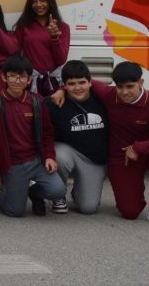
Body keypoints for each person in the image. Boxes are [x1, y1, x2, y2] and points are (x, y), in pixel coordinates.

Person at [0, 55, 65, 217]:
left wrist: (49, 157)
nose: (17, 80)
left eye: (22, 76)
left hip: (36, 161)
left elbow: (47, 132)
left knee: (58, 191)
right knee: (15, 211)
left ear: (29, 79)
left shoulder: (37, 102)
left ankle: (34, 192)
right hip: (12, 165)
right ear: (4, 77)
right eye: (12, 76)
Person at [96, 62, 149, 226]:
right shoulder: (109, 94)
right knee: (130, 212)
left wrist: (138, 147)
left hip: (147, 152)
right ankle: (137, 201)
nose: (124, 92)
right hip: (121, 158)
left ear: (141, 83)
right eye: (120, 87)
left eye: (130, 86)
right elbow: (84, 81)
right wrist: (60, 90)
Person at [44, 60, 108, 215]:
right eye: (71, 84)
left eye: (82, 82)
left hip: (93, 158)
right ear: (64, 86)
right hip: (68, 152)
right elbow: (42, 129)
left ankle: (79, 192)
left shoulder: (103, 98)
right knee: (59, 156)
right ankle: (59, 195)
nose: (78, 88)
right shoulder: (53, 103)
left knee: (88, 208)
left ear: (90, 83)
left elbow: (128, 94)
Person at [13, 0, 70, 96]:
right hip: (30, 83)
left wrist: (55, 38)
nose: (38, 5)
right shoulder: (23, 26)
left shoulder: (62, 27)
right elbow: (15, 54)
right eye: (34, 1)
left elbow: (61, 60)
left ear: (50, 2)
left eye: (43, 0)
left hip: (54, 84)